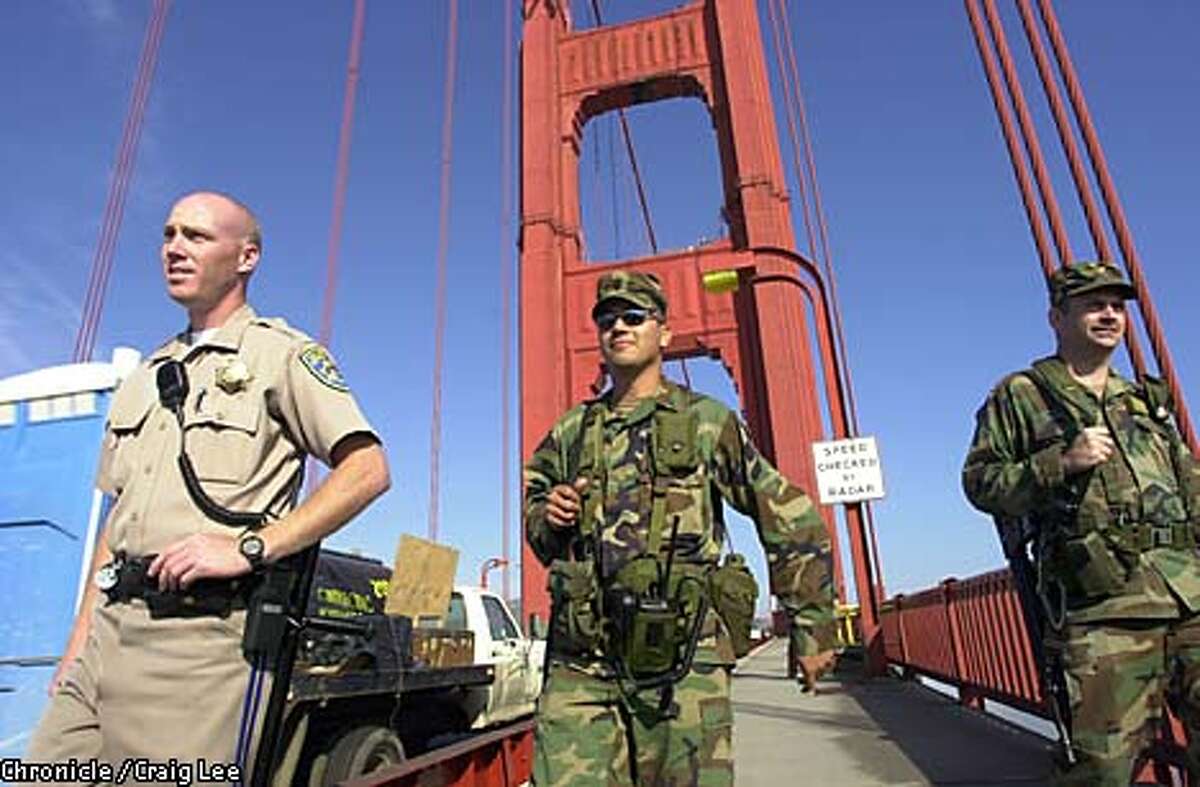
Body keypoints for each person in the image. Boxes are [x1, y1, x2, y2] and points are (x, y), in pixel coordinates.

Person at [23, 191, 390, 784]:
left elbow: (367, 469)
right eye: (169, 234)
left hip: (198, 649)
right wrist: (77, 644)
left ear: (246, 257)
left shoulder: (283, 356)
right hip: (105, 642)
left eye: (196, 237)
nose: (174, 248)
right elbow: (117, 528)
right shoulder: (147, 374)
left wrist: (250, 547)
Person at [524, 270, 837, 785]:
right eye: (606, 319)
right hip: (582, 663)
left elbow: (788, 516)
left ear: (664, 333)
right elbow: (539, 531)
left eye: (633, 317)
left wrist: (812, 625)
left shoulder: (706, 421)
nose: (618, 327)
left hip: (681, 660)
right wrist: (548, 516)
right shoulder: (569, 432)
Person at [962, 261, 1200, 786]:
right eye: (1095, 304)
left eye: (1117, 306)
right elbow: (981, 484)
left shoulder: (1142, 398)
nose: (1110, 315)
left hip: (1190, 597)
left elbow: (1190, 483)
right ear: (1056, 317)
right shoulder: (1021, 394)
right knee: (1101, 771)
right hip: (1105, 608)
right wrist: (1060, 463)